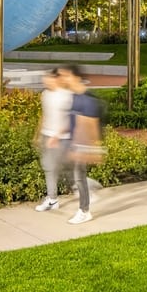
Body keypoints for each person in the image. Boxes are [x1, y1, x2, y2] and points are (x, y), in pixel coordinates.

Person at [58, 65, 105, 224]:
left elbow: (91, 126)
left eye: (67, 76)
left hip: (81, 143)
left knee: (78, 175)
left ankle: (84, 211)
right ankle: (88, 186)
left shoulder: (87, 99)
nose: (64, 79)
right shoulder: (75, 96)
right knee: (67, 170)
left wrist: (90, 149)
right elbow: (72, 119)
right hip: (73, 141)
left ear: (76, 77)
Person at [34, 68, 74, 212]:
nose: (45, 82)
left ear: (56, 79)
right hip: (47, 135)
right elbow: (44, 116)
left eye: (48, 79)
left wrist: (56, 137)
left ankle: (86, 188)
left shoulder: (66, 95)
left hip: (61, 138)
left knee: (58, 167)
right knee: (49, 167)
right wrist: (38, 134)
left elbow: (70, 119)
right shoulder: (45, 94)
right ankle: (52, 199)